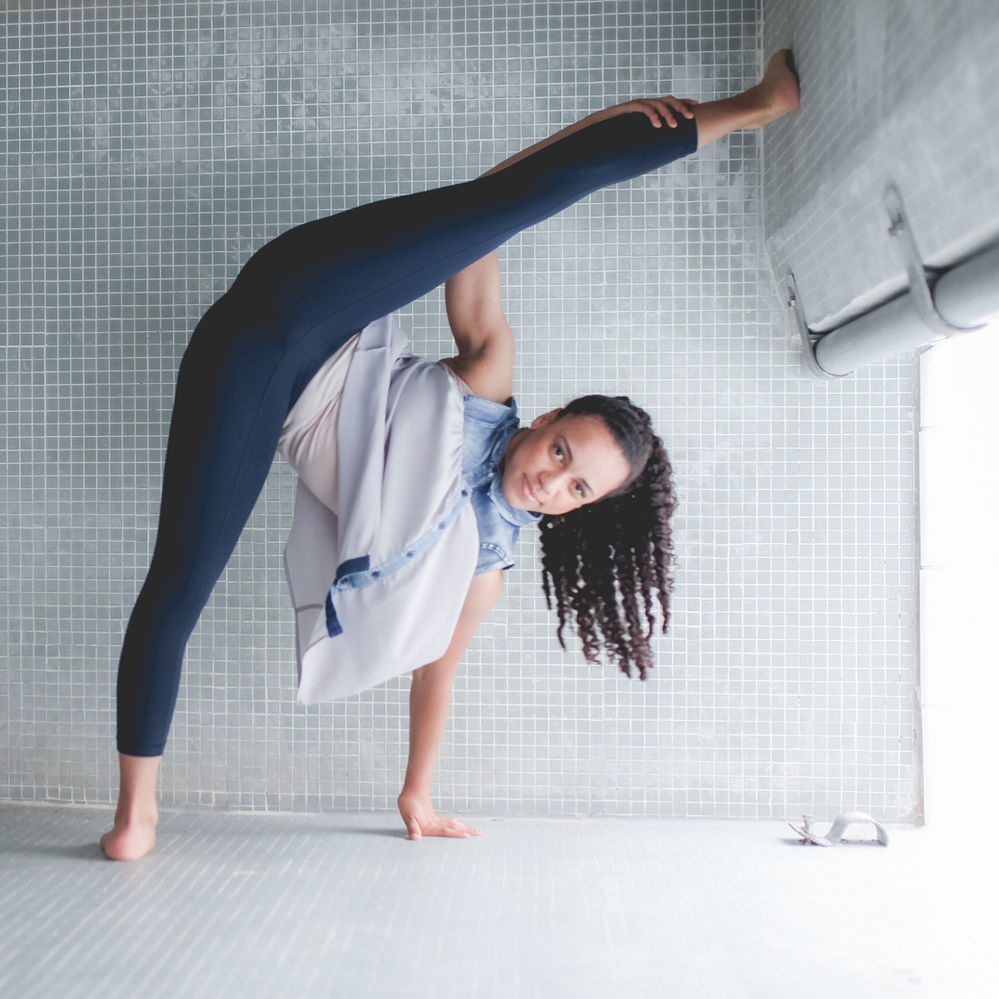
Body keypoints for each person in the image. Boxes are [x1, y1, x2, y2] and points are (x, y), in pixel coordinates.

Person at [100, 51, 800, 861]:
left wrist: (417, 791)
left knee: (179, 579)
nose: (550, 478)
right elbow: (490, 208)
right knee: (508, 203)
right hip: (318, 302)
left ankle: (135, 814)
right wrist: (590, 131)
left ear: (576, 509)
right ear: (543, 418)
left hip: (245, 377)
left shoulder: (483, 568)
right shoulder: (488, 382)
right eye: (561, 449)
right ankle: (750, 107)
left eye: (574, 488)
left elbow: (436, 669)